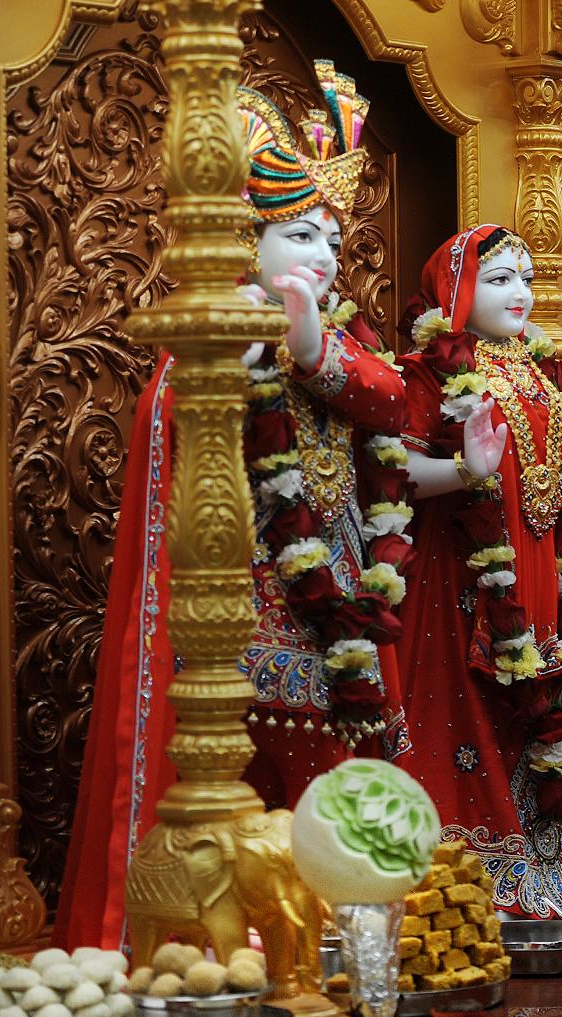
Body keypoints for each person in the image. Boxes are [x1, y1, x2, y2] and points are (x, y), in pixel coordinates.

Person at [57, 62, 414, 949]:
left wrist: (301, 340)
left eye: (332, 240)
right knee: (268, 765)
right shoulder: (214, 336)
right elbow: (179, 420)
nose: (324, 259)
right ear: (242, 243)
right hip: (245, 607)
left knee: (346, 758)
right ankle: (249, 935)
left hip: (337, 600)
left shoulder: (336, 339)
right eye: (299, 238)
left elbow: (387, 401)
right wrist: (261, 351)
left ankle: (345, 930)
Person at [392, 226, 562, 921]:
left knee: (542, 704)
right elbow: (392, 472)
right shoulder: (432, 369)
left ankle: (556, 873)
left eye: (526, 279)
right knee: (469, 707)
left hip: (539, 579)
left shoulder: (536, 369)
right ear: (456, 290)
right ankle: (477, 870)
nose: (520, 293)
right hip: (460, 581)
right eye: (499, 279)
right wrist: (466, 469)